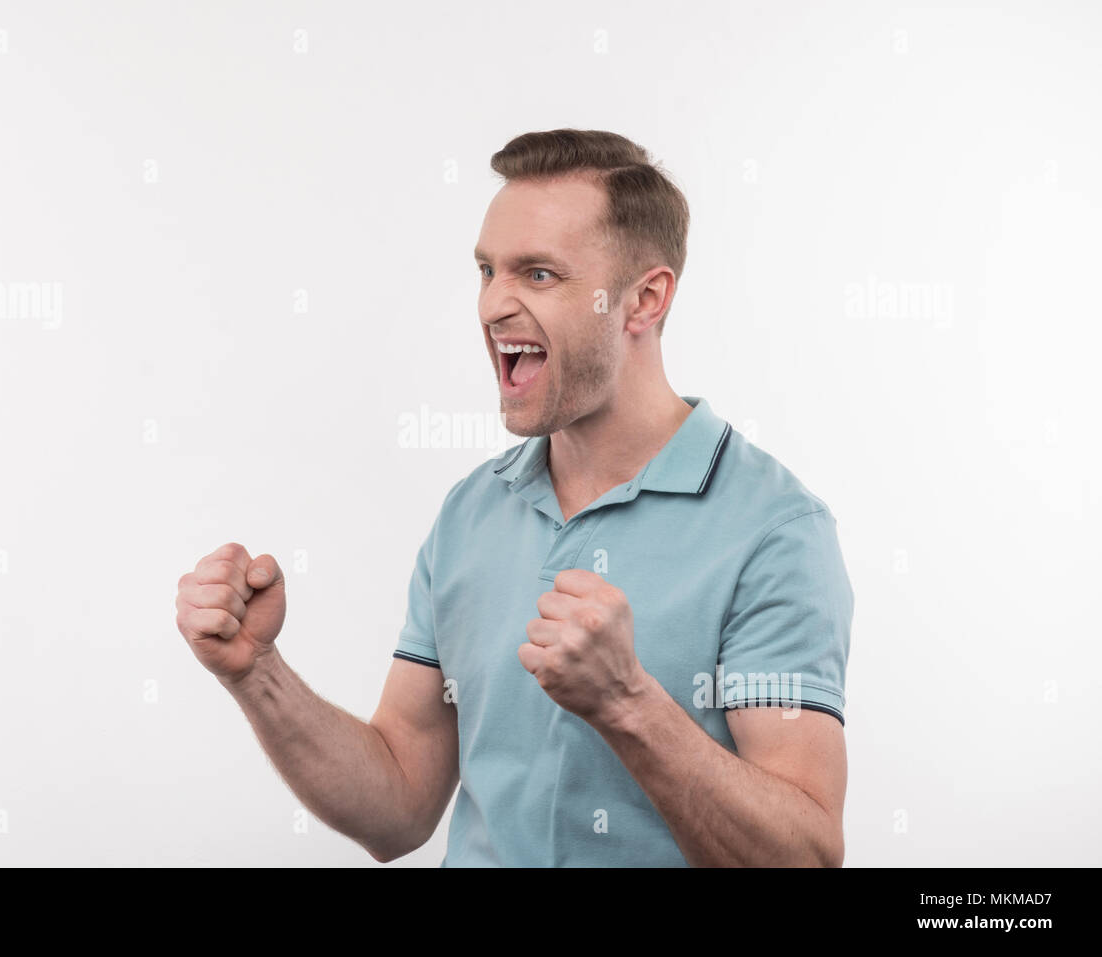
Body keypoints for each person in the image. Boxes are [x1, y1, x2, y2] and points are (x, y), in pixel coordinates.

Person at [174, 128, 854, 866]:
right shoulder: (471, 511)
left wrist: (629, 703)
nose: (493, 305)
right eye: (487, 270)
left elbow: (806, 856)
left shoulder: (774, 529)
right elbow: (399, 806)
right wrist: (257, 672)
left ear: (644, 300)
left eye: (537, 275)